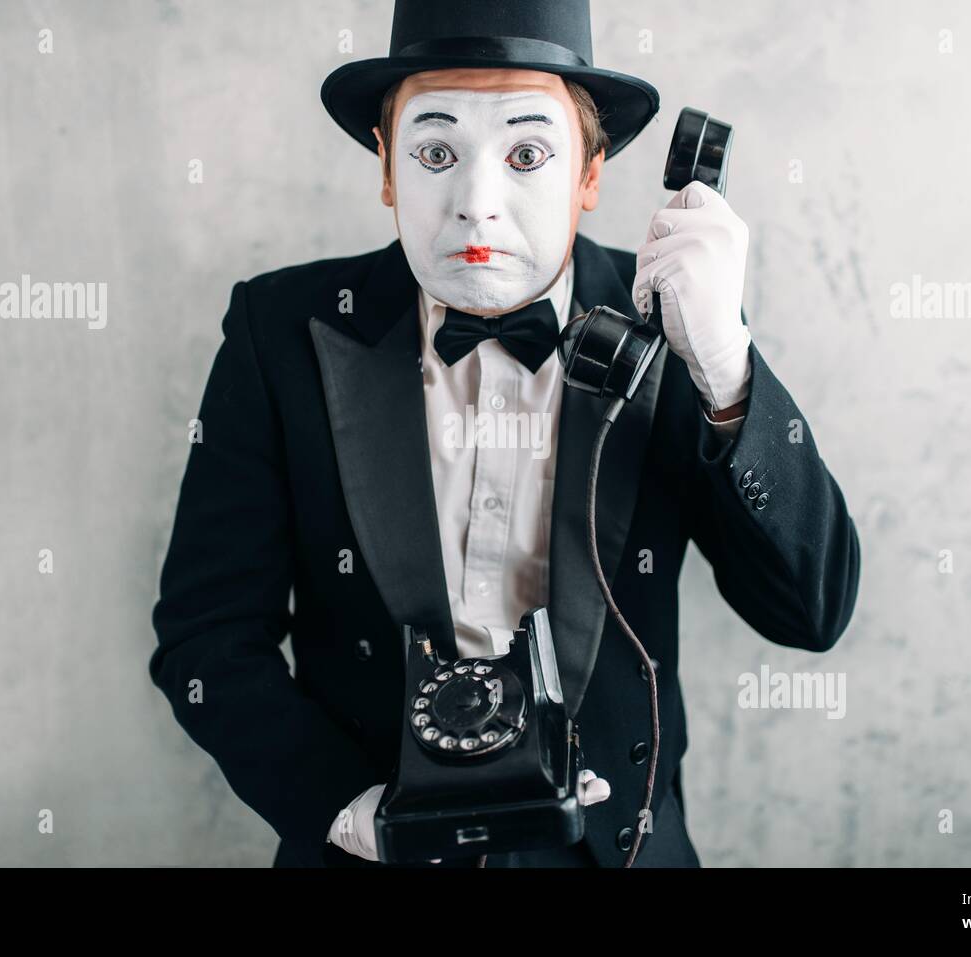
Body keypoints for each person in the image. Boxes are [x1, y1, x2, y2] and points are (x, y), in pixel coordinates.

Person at [149, 0, 860, 868]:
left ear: (590, 174)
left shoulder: (676, 326)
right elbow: (206, 635)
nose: (476, 206)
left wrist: (726, 368)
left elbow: (812, 612)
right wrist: (341, 806)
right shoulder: (278, 330)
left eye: (527, 155)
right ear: (386, 167)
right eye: (436, 153)